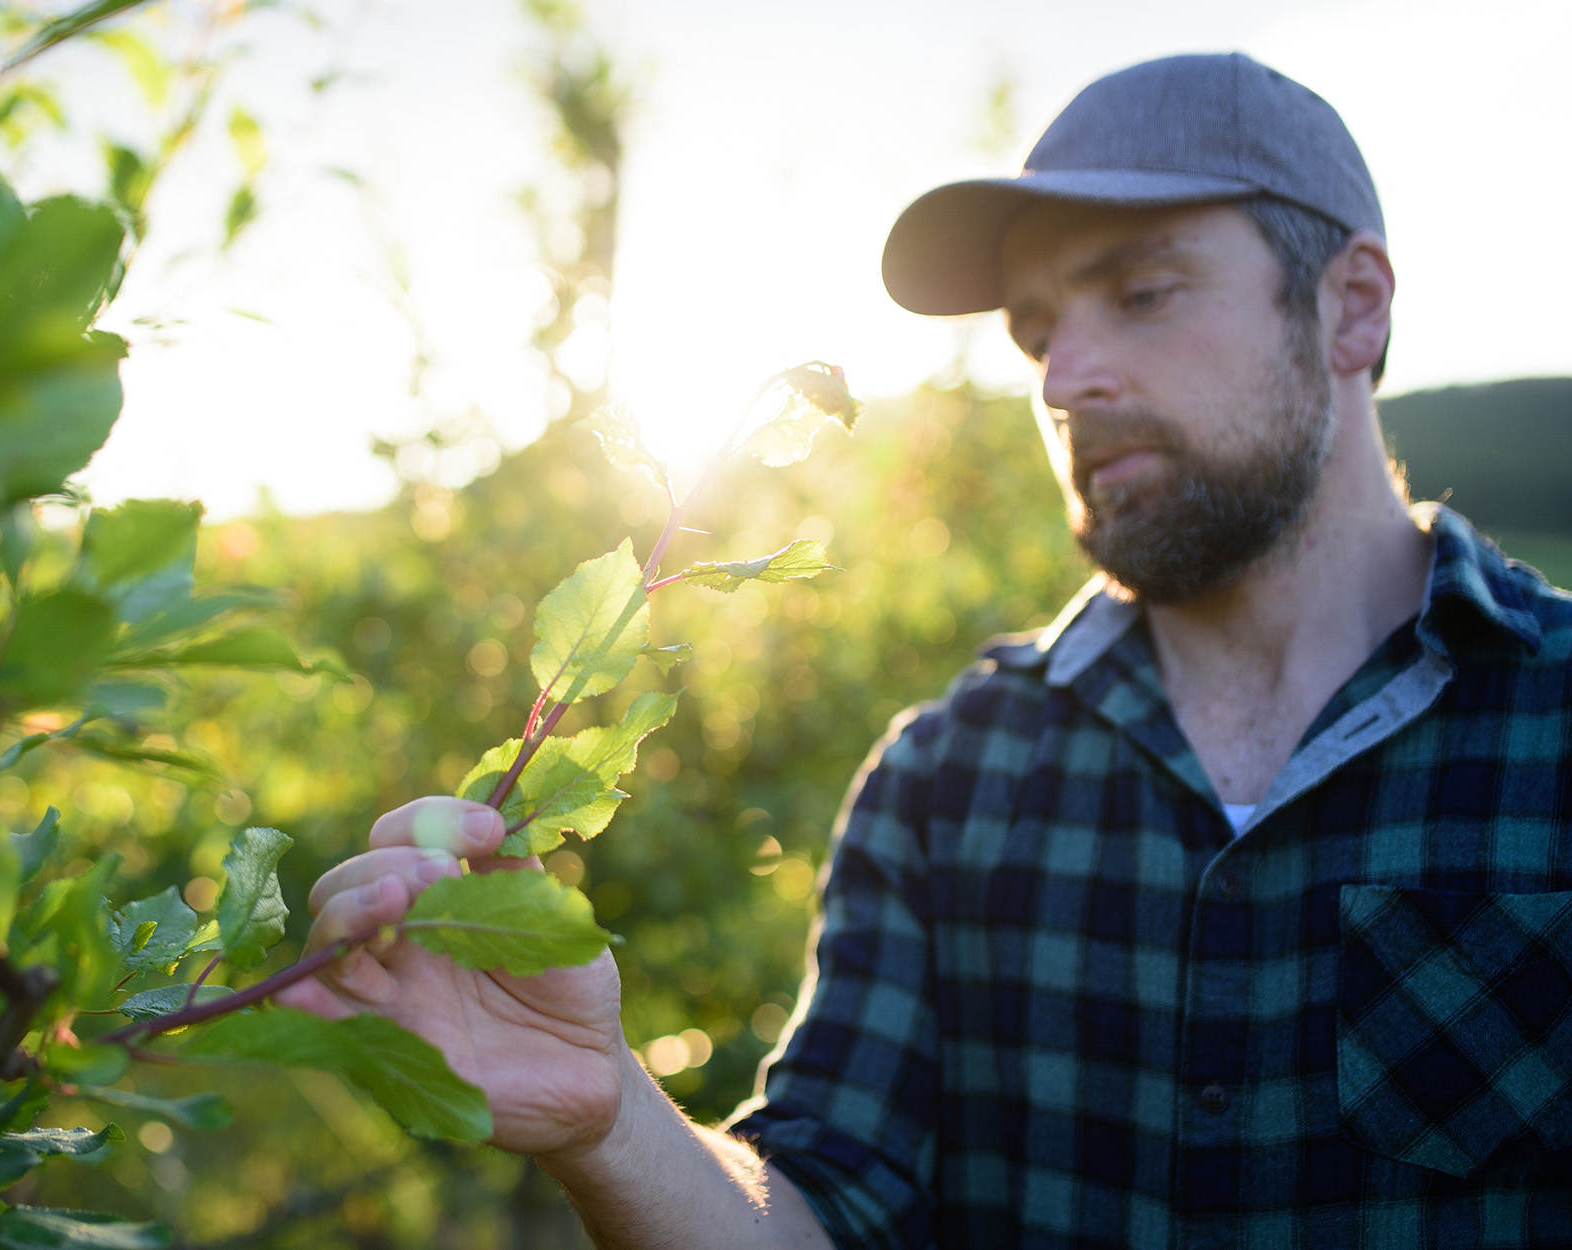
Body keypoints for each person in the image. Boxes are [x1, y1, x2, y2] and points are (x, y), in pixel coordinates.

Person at [283, 52, 1572, 1248]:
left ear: (1352, 308)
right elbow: (824, 1213)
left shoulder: (1552, 727)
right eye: (1035, 330)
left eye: (1143, 293)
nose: (1065, 378)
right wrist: (612, 1118)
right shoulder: (949, 780)